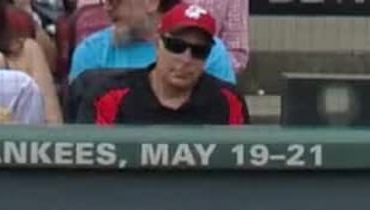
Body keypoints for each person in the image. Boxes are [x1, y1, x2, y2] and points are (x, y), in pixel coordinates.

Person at [78, 3, 246, 125]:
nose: (186, 59)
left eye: (199, 50)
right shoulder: (108, 97)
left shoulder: (229, 100)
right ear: (157, 44)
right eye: (176, 46)